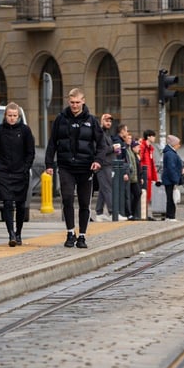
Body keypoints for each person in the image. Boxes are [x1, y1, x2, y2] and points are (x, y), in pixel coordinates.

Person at [44, 88, 108, 249]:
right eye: (72, 102)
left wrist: (98, 161)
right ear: (68, 101)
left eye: (78, 102)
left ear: (83, 101)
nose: (75, 105)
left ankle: (82, 236)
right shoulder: (61, 119)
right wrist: (49, 164)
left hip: (86, 167)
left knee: (85, 202)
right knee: (67, 198)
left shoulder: (92, 121)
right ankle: (70, 232)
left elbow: (102, 145)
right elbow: (52, 143)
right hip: (66, 166)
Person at [0, 103, 35, 246]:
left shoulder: (25, 130)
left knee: (21, 204)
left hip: (20, 172)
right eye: (9, 115)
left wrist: (26, 167)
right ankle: (11, 234)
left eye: (15, 116)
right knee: (7, 202)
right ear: (5, 115)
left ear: (18, 116)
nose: (12, 118)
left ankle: (19, 232)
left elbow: (30, 151)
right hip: (3, 172)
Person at [93, 113, 117, 221]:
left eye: (110, 121)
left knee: (104, 189)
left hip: (107, 164)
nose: (109, 123)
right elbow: (100, 150)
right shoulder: (100, 133)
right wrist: (113, 148)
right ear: (101, 122)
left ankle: (99, 213)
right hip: (102, 165)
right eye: (106, 121)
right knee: (107, 188)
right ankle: (113, 213)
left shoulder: (106, 133)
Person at [160, 134, 184, 222]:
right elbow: (171, 168)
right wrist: (175, 180)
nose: (179, 145)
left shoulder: (170, 152)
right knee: (171, 198)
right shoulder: (170, 153)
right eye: (178, 143)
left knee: (171, 198)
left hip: (169, 179)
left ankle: (169, 216)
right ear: (174, 144)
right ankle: (171, 216)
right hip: (170, 180)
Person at [119, 125, 141, 220]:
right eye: (128, 138)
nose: (130, 139)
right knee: (128, 195)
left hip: (133, 176)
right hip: (129, 176)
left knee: (136, 194)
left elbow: (134, 163)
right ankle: (129, 213)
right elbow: (125, 161)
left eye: (131, 138)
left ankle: (132, 212)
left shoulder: (130, 150)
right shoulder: (125, 149)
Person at [138, 129, 159, 219]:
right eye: (153, 136)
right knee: (144, 195)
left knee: (148, 196)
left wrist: (154, 176)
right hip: (144, 175)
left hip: (149, 176)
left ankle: (145, 214)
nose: (154, 138)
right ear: (149, 137)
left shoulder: (149, 148)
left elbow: (151, 163)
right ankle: (143, 214)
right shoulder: (143, 147)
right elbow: (139, 160)